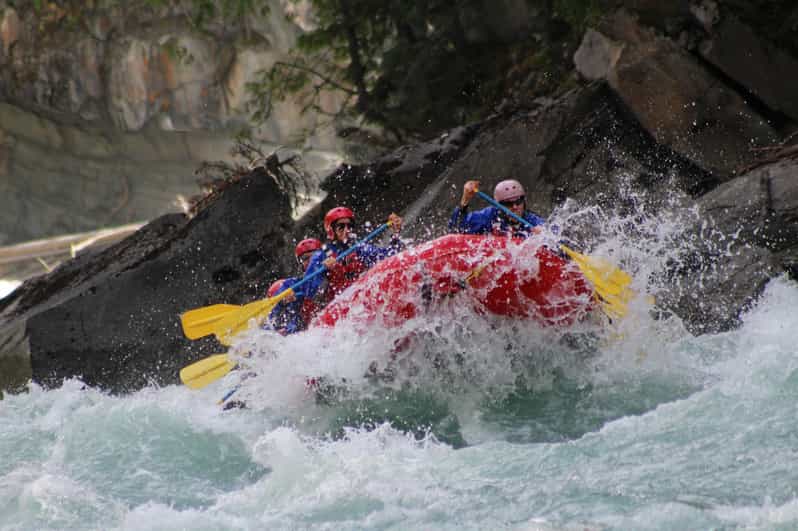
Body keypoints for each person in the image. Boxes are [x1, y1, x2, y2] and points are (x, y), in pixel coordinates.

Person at [294, 206, 405, 306]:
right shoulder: (320, 256)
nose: (347, 230)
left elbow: (389, 257)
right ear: (331, 230)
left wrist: (395, 233)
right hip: (338, 307)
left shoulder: (359, 248)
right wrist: (322, 270)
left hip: (361, 300)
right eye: (341, 227)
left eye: (349, 226)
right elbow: (309, 292)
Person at [448, 179, 545, 238]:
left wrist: (544, 237)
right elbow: (456, 228)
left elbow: (553, 234)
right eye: (508, 203)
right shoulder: (489, 216)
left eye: (518, 201)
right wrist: (465, 200)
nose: (515, 207)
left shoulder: (532, 221)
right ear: (498, 205)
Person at [266, 238, 323, 335]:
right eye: (305, 258)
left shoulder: (331, 267)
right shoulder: (296, 285)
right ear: (300, 264)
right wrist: (283, 301)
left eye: (313, 256)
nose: (311, 261)